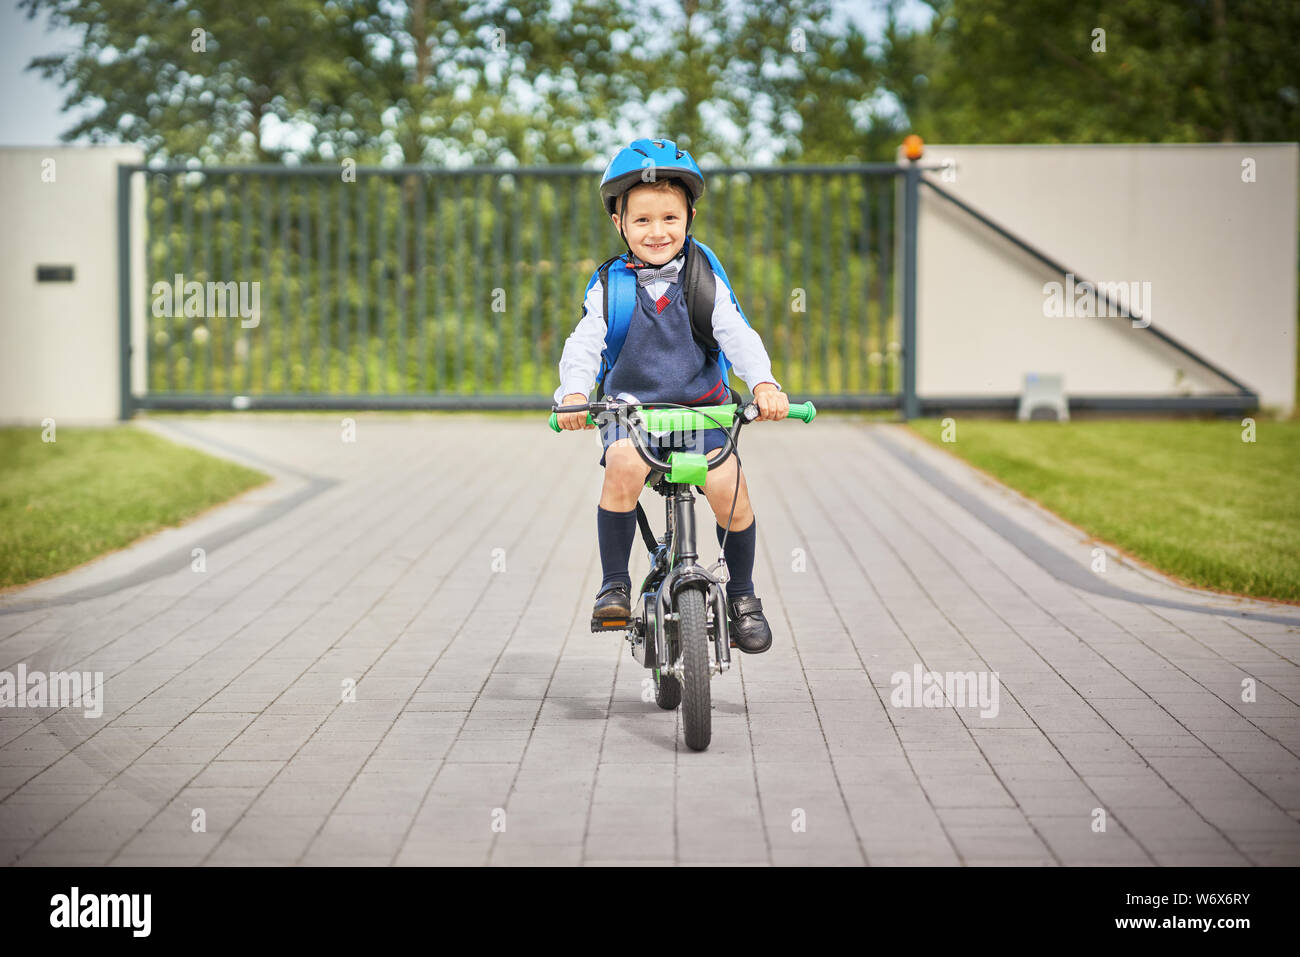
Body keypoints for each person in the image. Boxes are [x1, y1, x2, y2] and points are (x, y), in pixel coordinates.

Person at [553, 137, 789, 654]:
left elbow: (736, 333)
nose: (656, 232)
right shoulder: (609, 285)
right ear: (619, 223)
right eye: (641, 221)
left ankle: (744, 596)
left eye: (669, 219)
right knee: (623, 465)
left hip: (702, 408)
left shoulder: (703, 279)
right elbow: (585, 341)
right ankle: (614, 583)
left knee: (728, 483)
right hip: (632, 413)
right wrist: (573, 392)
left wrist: (764, 384)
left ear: (690, 218)